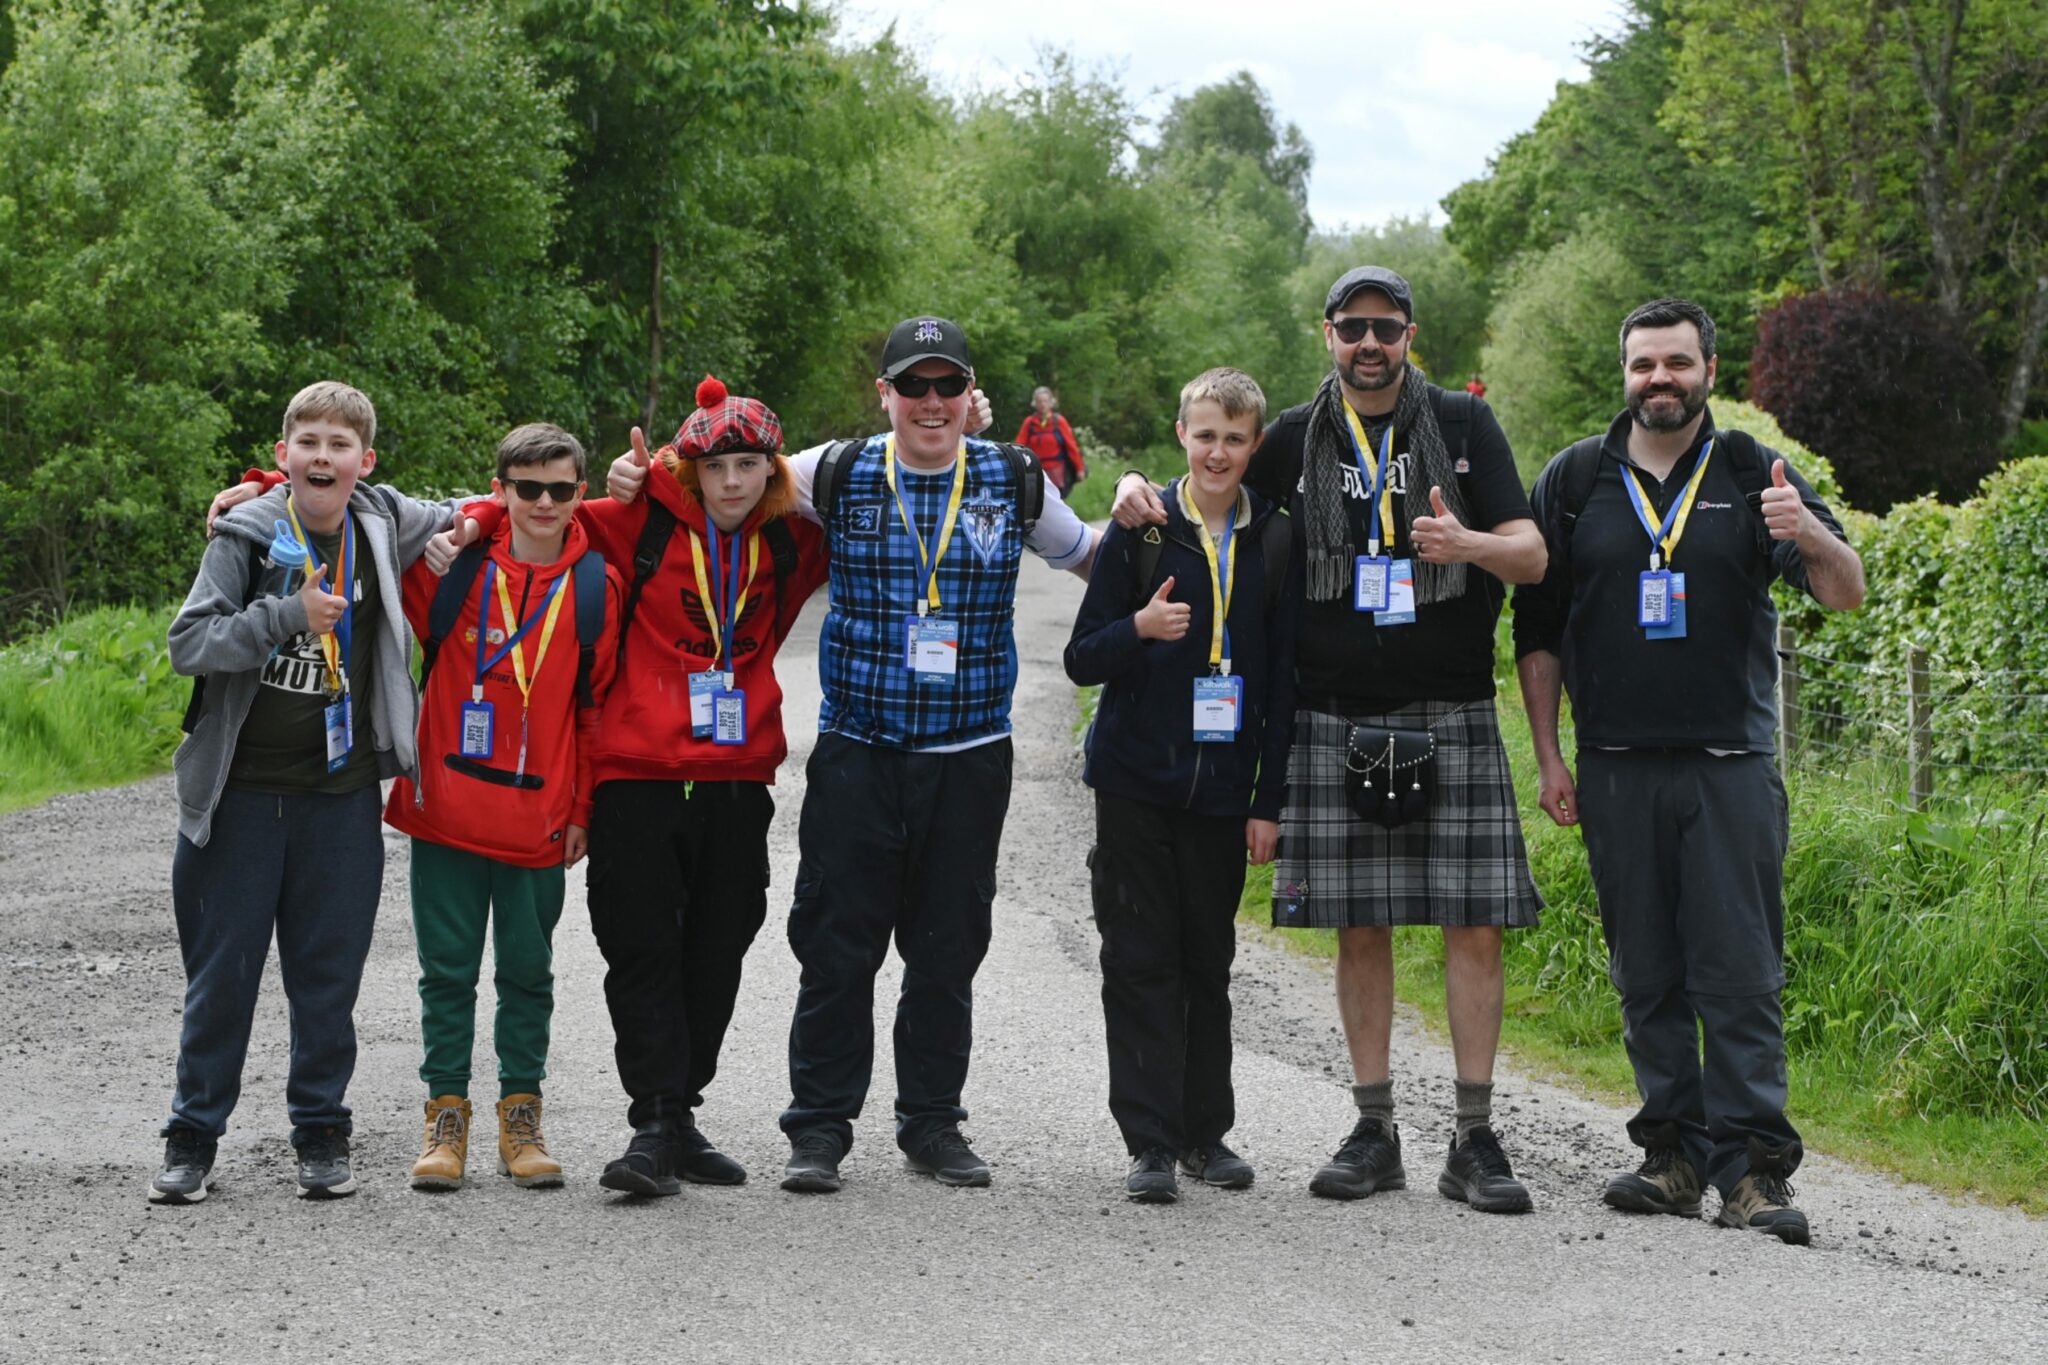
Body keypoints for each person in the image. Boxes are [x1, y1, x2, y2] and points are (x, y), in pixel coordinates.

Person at [1110, 266, 1548, 1213]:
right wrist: (1134, 482)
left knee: (1474, 923)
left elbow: (1533, 552)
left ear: (1410, 334)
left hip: (1454, 705)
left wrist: (1466, 546)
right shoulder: (1294, 441)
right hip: (1335, 710)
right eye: (1353, 327)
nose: (1369, 343)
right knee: (1363, 924)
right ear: (1328, 336)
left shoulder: (1466, 430)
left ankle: (1474, 1136)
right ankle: (1375, 1127)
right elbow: (1206, 485)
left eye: (1385, 327)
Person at [1513, 297, 1864, 1246]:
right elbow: (1538, 631)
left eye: (1676, 363)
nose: (1658, 379)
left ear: (1710, 366)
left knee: (1739, 972)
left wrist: (1814, 533)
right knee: (1647, 972)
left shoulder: (1754, 472)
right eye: (1642, 365)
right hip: (1616, 768)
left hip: (1731, 766)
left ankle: (1752, 1171)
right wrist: (1550, 755)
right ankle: (1670, 1155)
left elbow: (1845, 594)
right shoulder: (1577, 478)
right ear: (1622, 372)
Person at [461, 376, 828, 1195]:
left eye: (748, 465)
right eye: (716, 466)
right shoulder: (638, 523)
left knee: (720, 945)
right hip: (636, 777)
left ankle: (682, 1109)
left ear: (771, 471)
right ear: (689, 469)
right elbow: (529, 511)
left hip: (736, 780)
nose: (732, 482)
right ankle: (652, 1118)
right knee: (640, 947)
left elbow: (889, 482)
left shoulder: (795, 543)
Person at [763, 316, 1096, 1194]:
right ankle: (820, 1127)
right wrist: (637, 474)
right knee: (838, 945)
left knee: (947, 948)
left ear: (969, 394)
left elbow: (1090, 557)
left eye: (949, 386)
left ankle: (932, 1123)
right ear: (887, 395)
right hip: (858, 752)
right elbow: (720, 481)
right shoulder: (831, 470)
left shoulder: (1014, 475)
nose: (933, 403)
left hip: (969, 755)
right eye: (915, 386)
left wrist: (1159, 512)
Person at [154, 381, 458, 1204]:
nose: (324, 456)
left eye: (340, 444)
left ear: (366, 461)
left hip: (341, 798)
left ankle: (322, 1131)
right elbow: (190, 643)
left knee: (328, 979)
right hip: (241, 799)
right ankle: (191, 1137)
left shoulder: (383, 521)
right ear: (283, 453)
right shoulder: (246, 533)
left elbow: (487, 504)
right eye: (309, 442)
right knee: (222, 979)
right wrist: (285, 615)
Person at [1064, 367, 1296, 1203]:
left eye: (1235, 438)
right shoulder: (1143, 528)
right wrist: (1140, 626)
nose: (1219, 452)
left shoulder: (1275, 538)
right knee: (1138, 958)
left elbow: (1281, 683)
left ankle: (1207, 1134)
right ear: (1181, 436)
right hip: (1133, 781)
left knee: (1209, 960)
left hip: (1225, 790)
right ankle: (1150, 1143)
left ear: (1255, 445)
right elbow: (1081, 656)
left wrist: (1268, 802)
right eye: (1205, 435)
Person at [386, 423, 622, 1193]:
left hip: (540, 819)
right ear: (502, 490)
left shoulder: (595, 589)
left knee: (528, 973)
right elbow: (352, 516)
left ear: (580, 492)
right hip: (446, 808)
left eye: (560, 488)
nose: (544, 503)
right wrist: (255, 489)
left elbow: (593, 710)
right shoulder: (451, 568)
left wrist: (583, 805)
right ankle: (444, 1115)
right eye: (527, 489)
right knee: (445, 973)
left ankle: (521, 1114)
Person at [1016, 385, 1086, 494]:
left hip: (1057, 471)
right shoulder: (1029, 423)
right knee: (1036, 503)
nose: (1043, 404)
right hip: (1036, 471)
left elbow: (1071, 446)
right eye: (1040, 401)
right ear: (1035, 403)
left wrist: (1079, 468)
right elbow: (1018, 446)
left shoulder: (1059, 421)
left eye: (1045, 401)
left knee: (1056, 501)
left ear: (1051, 403)